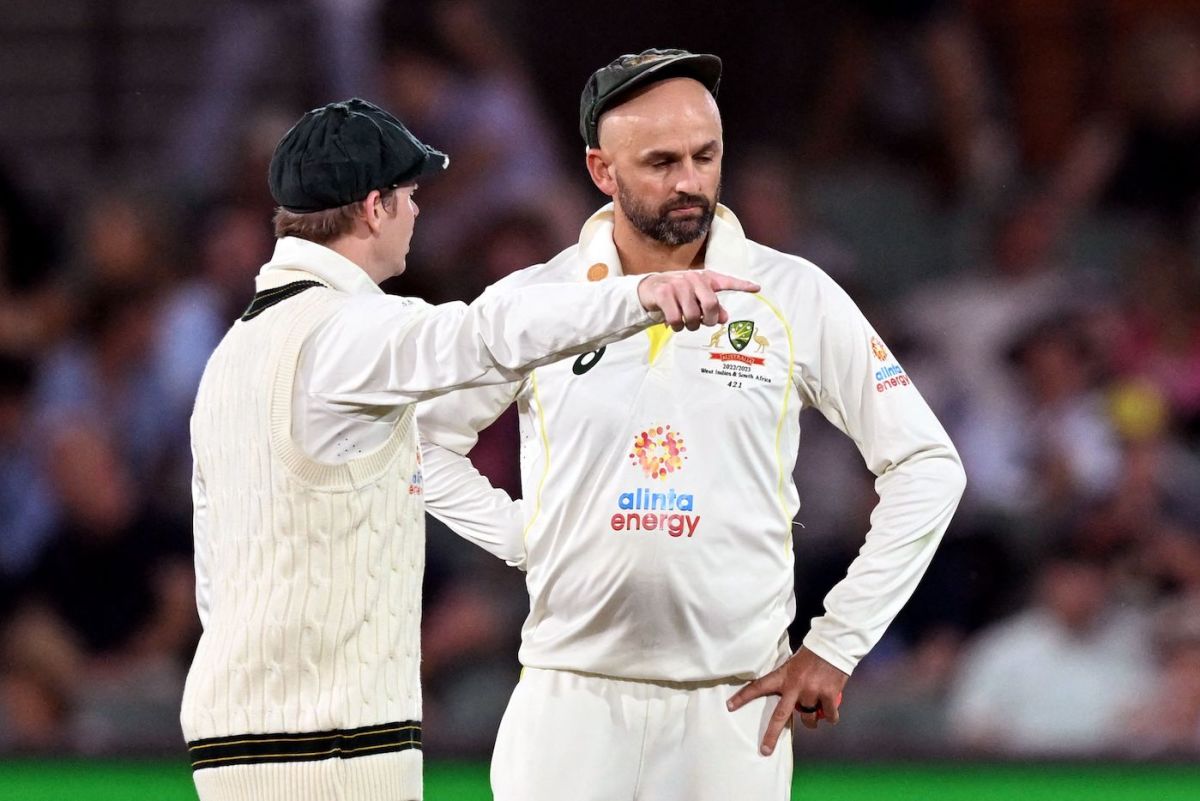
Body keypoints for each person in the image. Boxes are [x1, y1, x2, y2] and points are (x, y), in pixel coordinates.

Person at [417, 50, 966, 800]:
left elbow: (929, 467)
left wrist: (837, 642)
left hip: (734, 706)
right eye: (661, 161)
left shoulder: (790, 294)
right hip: (569, 701)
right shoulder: (537, 299)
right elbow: (422, 440)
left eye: (706, 156)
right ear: (601, 170)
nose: (689, 181)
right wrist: (523, 534)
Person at [180, 97, 756, 801]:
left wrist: (522, 535)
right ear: (373, 207)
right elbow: (487, 335)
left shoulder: (231, 353)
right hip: (332, 745)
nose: (419, 212)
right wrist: (643, 296)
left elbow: (214, 577)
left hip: (230, 738)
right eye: (412, 195)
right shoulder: (346, 331)